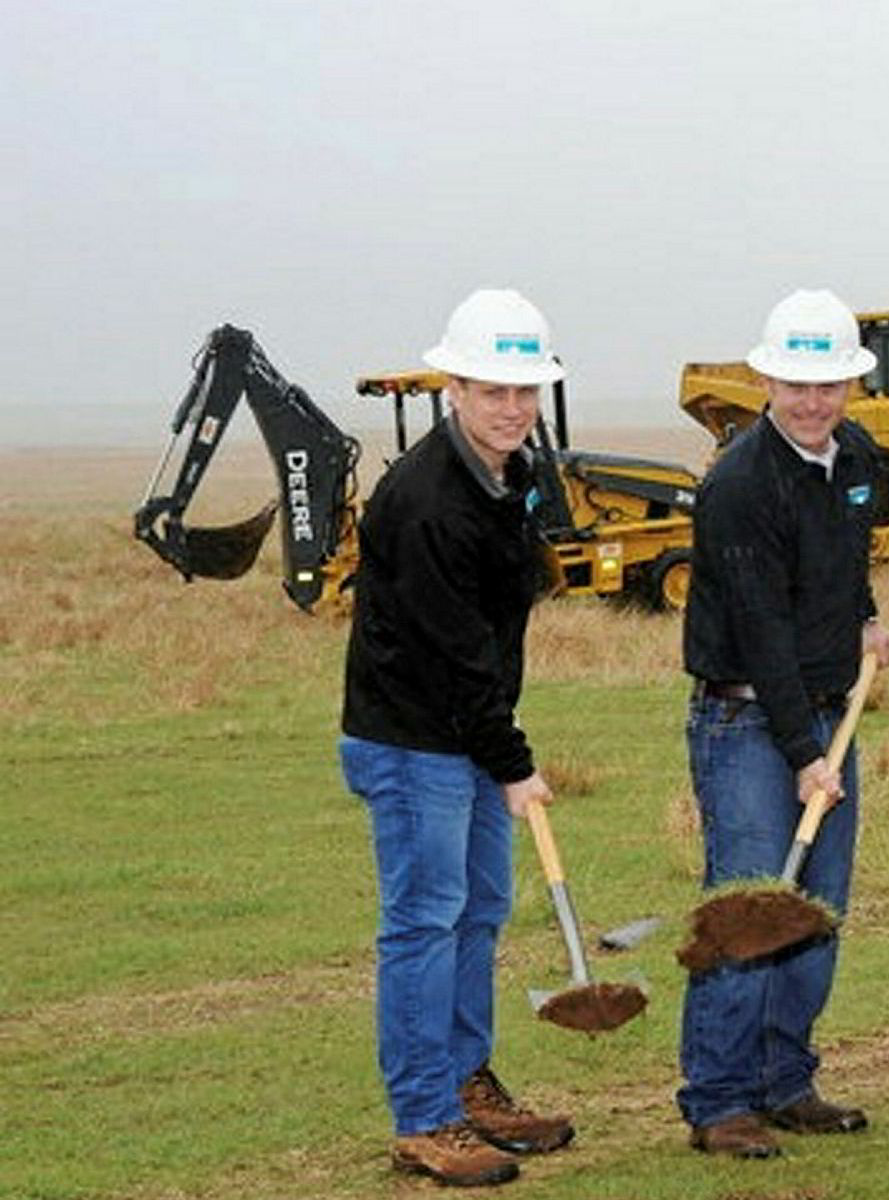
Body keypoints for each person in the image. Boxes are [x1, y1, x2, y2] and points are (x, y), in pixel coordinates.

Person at [339, 288, 576, 1188]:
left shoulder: (510, 476)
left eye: (524, 392)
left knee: (478, 912)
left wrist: (497, 747)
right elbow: (455, 655)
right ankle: (424, 1119)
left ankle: (469, 1086)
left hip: (468, 734)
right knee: (424, 923)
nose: (511, 408)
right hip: (411, 741)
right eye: (493, 391)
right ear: (454, 389)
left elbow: (499, 621)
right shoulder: (428, 500)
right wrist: (513, 764)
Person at [677, 289, 889, 1156]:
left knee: (815, 908)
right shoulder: (737, 485)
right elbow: (762, 628)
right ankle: (720, 1097)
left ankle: (786, 1079)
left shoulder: (858, 462)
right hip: (746, 723)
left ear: (851, 386)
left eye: (830, 385)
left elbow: (840, 566)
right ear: (764, 378)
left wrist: (866, 616)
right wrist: (806, 756)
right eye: (797, 385)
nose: (813, 403)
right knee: (750, 907)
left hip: (824, 714)